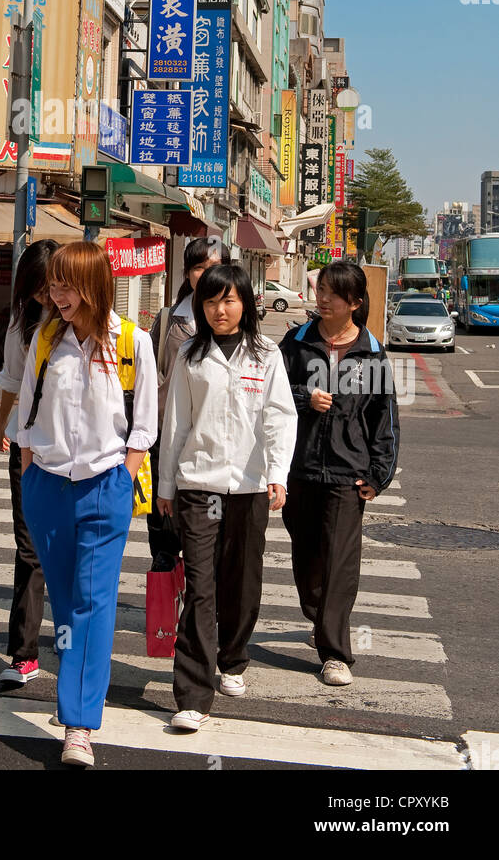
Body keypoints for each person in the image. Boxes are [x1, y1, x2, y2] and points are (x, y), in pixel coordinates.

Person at [16, 241, 157, 768]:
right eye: (53, 284)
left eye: (66, 284)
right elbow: (27, 410)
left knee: (93, 605)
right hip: (47, 485)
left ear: (95, 285)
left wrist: (123, 478)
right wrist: (29, 469)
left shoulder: (132, 342)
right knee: (64, 600)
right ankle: (74, 689)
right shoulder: (46, 338)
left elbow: (144, 425)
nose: (56, 294)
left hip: (105, 487)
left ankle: (79, 723)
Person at [158, 263, 297, 730]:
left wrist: (278, 475)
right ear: (201, 305)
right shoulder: (190, 356)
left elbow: (280, 418)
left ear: (246, 304)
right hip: (199, 484)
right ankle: (192, 695)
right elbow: (175, 423)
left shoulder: (266, 354)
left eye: (230, 300)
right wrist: (166, 487)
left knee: (240, 581)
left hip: (250, 486)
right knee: (200, 588)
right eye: (212, 301)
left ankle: (233, 658)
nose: (221, 309)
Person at [278, 261, 399, 686]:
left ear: (355, 303)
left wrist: (380, 473)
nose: (323, 298)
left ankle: (334, 652)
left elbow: (384, 418)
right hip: (299, 467)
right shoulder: (295, 342)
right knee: (307, 555)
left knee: (340, 562)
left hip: (349, 472)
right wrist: (303, 397)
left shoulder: (372, 352)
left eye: (333, 293)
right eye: (321, 290)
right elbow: (270, 397)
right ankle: (317, 616)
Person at [0, 239, 58, 686]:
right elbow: (12, 383)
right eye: (35, 287)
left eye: (49, 285)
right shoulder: (23, 325)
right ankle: (24, 652)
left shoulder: (86, 322)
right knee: (29, 546)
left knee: (70, 551)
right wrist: (1, 427)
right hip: (28, 445)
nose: (44, 296)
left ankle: (76, 644)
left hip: (78, 453)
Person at [148, 239, 230, 567]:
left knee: (209, 539)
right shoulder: (170, 319)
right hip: (166, 439)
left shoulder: (234, 321)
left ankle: (200, 610)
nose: (205, 274)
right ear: (187, 273)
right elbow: (149, 373)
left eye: (213, 267)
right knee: (165, 536)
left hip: (214, 445)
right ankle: (165, 612)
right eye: (198, 267)